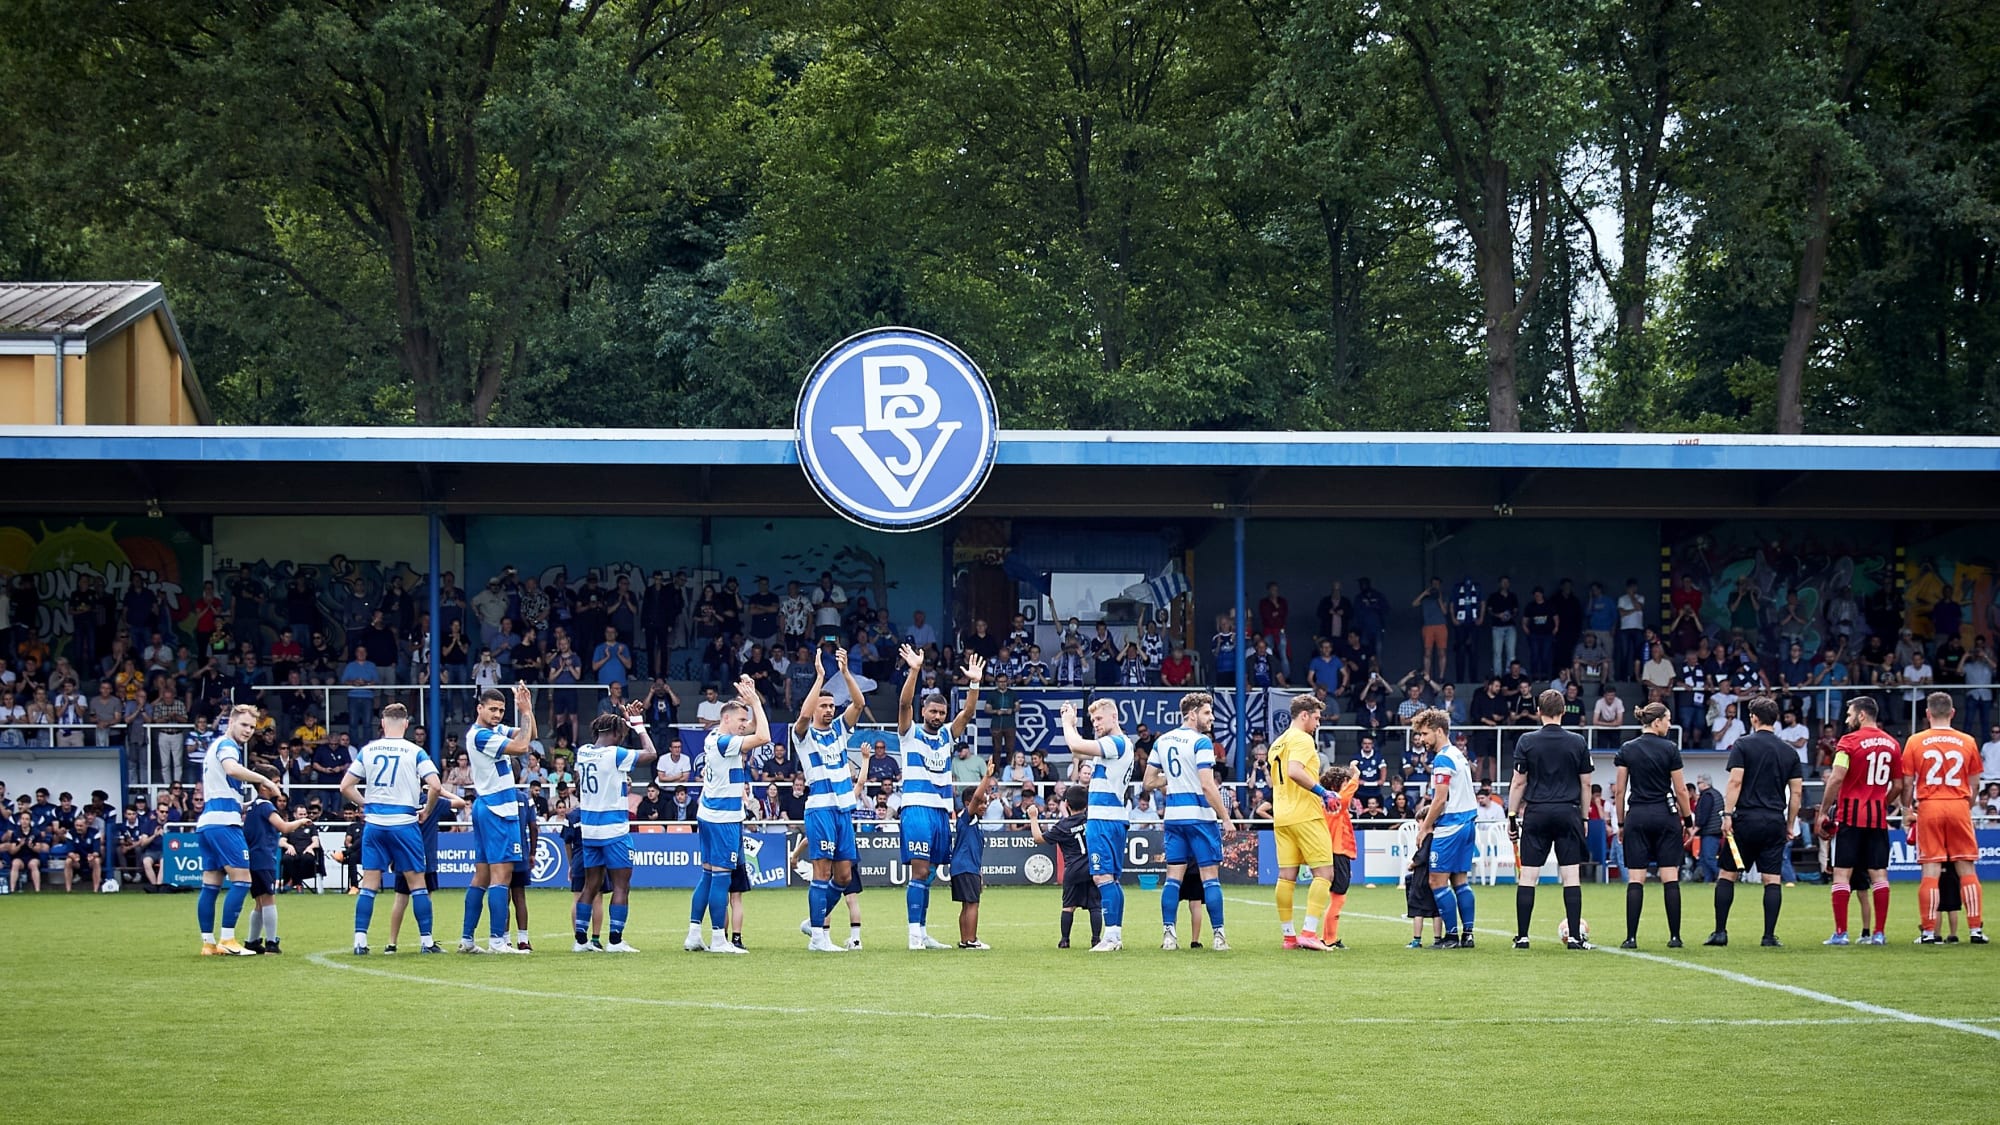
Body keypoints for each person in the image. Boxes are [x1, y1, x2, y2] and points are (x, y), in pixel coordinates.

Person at [892, 645, 985, 950]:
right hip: (917, 808)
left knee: (930, 873)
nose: (937, 716)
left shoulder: (946, 735)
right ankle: (913, 935)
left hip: (941, 812)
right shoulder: (910, 733)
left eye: (942, 713)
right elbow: (904, 703)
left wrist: (974, 683)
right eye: (933, 711)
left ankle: (922, 931)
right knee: (919, 871)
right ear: (923, 711)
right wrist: (915, 670)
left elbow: (967, 713)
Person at [339, 703, 444, 955]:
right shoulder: (415, 751)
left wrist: (365, 804)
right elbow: (436, 785)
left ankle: (360, 942)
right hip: (404, 823)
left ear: (383, 724)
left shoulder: (368, 750)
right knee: (417, 884)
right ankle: (426, 941)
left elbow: (345, 786)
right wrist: (426, 810)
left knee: (369, 884)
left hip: (375, 824)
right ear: (406, 724)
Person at [1144, 691, 1238, 952]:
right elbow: (1208, 785)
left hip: (1174, 818)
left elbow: (1148, 782)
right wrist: (1226, 818)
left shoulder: (1162, 741)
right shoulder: (1202, 742)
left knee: (1172, 878)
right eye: (1207, 713)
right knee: (1210, 878)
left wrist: (1173, 778)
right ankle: (1219, 936)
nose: (1212, 718)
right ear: (1192, 714)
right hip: (1199, 818)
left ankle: (1169, 936)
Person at [1708, 696, 1804, 947]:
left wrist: (1727, 814)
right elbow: (1796, 793)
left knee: (1727, 874)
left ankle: (1720, 932)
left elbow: (1735, 782)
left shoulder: (1743, 745)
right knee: (1772, 878)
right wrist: (1790, 824)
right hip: (1774, 820)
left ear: (1753, 718)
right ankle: (1769, 936)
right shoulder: (1789, 751)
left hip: (1746, 820)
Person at [683, 677, 769, 954]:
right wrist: (755, 702)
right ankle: (719, 939)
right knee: (721, 878)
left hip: (709, 814)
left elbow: (754, 727)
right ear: (727, 719)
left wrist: (751, 700)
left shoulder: (713, 737)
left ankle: (694, 934)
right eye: (741, 719)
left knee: (708, 875)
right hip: (724, 819)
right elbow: (764, 737)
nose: (745, 723)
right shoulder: (725, 742)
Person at [793, 648, 867, 953]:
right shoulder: (803, 735)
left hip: (843, 809)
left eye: (831, 706)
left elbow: (859, 704)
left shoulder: (839, 729)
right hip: (820, 809)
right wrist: (820, 677)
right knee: (822, 874)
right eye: (823, 705)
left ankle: (814, 921)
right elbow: (802, 716)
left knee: (844, 876)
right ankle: (818, 938)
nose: (828, 710)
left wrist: (846, 673)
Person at [1506, 689, 1591, 949]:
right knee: (1571, 876)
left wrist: (1511, 816)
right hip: (1568, 811)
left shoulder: (1527, 741)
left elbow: (1518, 782)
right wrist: (1584, 818)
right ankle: (1574, 937)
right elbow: (1586, 784)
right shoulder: (1577, 741)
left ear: (1538, 711)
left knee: (1528, 876)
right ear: (1563, 711)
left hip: (1537, 811)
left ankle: (1523, 936)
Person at [573, 700, 659, 953]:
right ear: (614, 733)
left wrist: (623, 723)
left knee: (591, 885)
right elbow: (651, 753)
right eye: (621, 734)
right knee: (621, 886)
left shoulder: (583, 751)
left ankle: (581, 941)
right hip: (613, 829)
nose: (623, 738)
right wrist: (638, 725)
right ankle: (615, 940)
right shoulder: (614, 754)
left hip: (589, 829)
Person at [1818, 696, 1902, 946]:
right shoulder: (1893, 744)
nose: (1847, 720)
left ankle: (1841, 933)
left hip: (1850, 817)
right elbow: (1899, 785)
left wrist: (1823, 811)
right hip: (1877, 819)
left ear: (1862, 715)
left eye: (1849, 714)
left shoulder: (1848, 742)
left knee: (1842, 875)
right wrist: (1881, 803)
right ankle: (1879, 933)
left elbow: (1836, 778)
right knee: (1879, 876)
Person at [460, 683, 537, 954]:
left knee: (481, 875)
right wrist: (524, 712)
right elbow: (522, 746)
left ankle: (467, 940)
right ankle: (497, 941)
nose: (497, 714)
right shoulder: (482, 735)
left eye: (501, 710)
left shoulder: (492, 730)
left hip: (486, 804)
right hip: (498, 807)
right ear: (479, 708)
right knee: (501, 876)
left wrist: (527, 709)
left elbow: (531, 734)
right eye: (492, 709)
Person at [1902, 692, 1985, 943]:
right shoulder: (1968, 741)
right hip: (1958, 804)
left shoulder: (1915, 741)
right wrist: (1965, 806)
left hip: (1930, 806)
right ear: (1952, 713)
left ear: (1927, 713)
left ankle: (1928, 932)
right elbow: (1975, 784)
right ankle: (1975, 930)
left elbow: (1907, 782)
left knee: (1931, 869)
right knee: (1966, 867)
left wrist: (1907, 809)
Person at [1611, 703, 1694, 948]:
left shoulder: (1627, 748)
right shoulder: (1670, 749)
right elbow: (1681, 790)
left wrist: (1621, 823)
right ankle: (1675, 937)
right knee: (1670, 876)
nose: (1669, 724)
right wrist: (1688, 819)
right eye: (1667, 720)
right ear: (1656, 722)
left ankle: (1631, 938)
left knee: (1636, 878)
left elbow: (1619, 791)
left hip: (1637, 815)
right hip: (1665, 816)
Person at [1061, 692, 1134, 952]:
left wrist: (1067, 722)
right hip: (1112, 817)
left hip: (1104, 819)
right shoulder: (1118, 744)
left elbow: (1075, 746)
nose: (1096, 724)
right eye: (1093, 720)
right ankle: (1115, 934)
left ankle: (1111, 937)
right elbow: (1080, 750)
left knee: (1102, 876)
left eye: (1099, 719)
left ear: (1114, 717)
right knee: (1111, 879)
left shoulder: (1116, 742)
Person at [1269, 694, 1339, 950]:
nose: (1318, 724)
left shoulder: (1278, 743)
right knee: (1324, 873)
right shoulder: (1302, 739)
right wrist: (1323, 792)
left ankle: (1289, 936)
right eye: (1316, 718)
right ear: (1304, 715)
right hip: (1305, 814)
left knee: (1287, 876)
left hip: (1282, 815)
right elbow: (1294, 771)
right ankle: (1309, 932)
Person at [239, 767, 308, 953]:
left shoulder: (253, 806)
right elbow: (284, 827)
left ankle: (252, 941)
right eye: (276, 782)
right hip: (263, 858)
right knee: (269, 900)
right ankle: (271, 942)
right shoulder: (266, 806)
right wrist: (301, 821)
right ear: (264, 786)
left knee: (259, 902)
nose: (279, 786)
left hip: (253, 859)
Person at [1026, 785, 1100, 948]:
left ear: (1066, 804)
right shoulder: (1092, 820)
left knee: (1068, 906)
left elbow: (1038, 838)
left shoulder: (1062, 826)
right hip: (1092, 867)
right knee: (1095, 906)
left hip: (1073, 870)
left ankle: (1065, 940)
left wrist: (1033, 817)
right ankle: (1096, 940)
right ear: (1087, 804)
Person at [950, 759, 1001, 949]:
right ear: (968, 803)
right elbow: (977, 796)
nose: (984, 806)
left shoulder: (975, 823)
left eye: (986, 803)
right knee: (973, 904)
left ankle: (965, 940)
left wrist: (978, 872)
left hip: (965, 868)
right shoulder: (967, 817)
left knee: (967, 904)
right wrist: (987, 777)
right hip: (965, 867)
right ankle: (971, 940)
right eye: (981, 803)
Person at [1317, 764, 1361, 947]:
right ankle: (1329, 939)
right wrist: (1356, 774)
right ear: (1336, 785)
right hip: (1338, 851)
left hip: (1329, 851)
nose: (1347, 785)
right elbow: (1349, 791)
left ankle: (1327, 937)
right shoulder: (1335, 801)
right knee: (1339, 896)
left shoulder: (1322, 803)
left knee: (1335, 895)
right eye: (1344, 782)